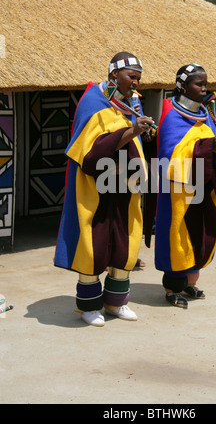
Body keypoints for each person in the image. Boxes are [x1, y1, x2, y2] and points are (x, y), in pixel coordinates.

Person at [54, 51, 155, 326]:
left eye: (138, 79)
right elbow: (89, 151)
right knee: (94, 244)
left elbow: (132, 138)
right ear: (114, 74)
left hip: (124, 187)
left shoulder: (132, 102)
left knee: (124, 242)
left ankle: (116, 303)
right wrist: (131, 132)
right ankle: (89, 306)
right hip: (95, 186)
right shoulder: (94, 101)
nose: (135, 83)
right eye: (131, 77)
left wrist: (143, 133)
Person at [154, 64, 216, 308]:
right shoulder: (172, 118)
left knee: (199, 231)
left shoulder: (205, 113)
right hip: (179, 191)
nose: (204, 88)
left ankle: (188, 282)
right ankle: (172, 288)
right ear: (183, 86)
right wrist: (208, 146)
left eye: (206, 83)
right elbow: (170, 155)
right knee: (177, 234)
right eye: (199, 84)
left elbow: (202, 141)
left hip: (202, 187)